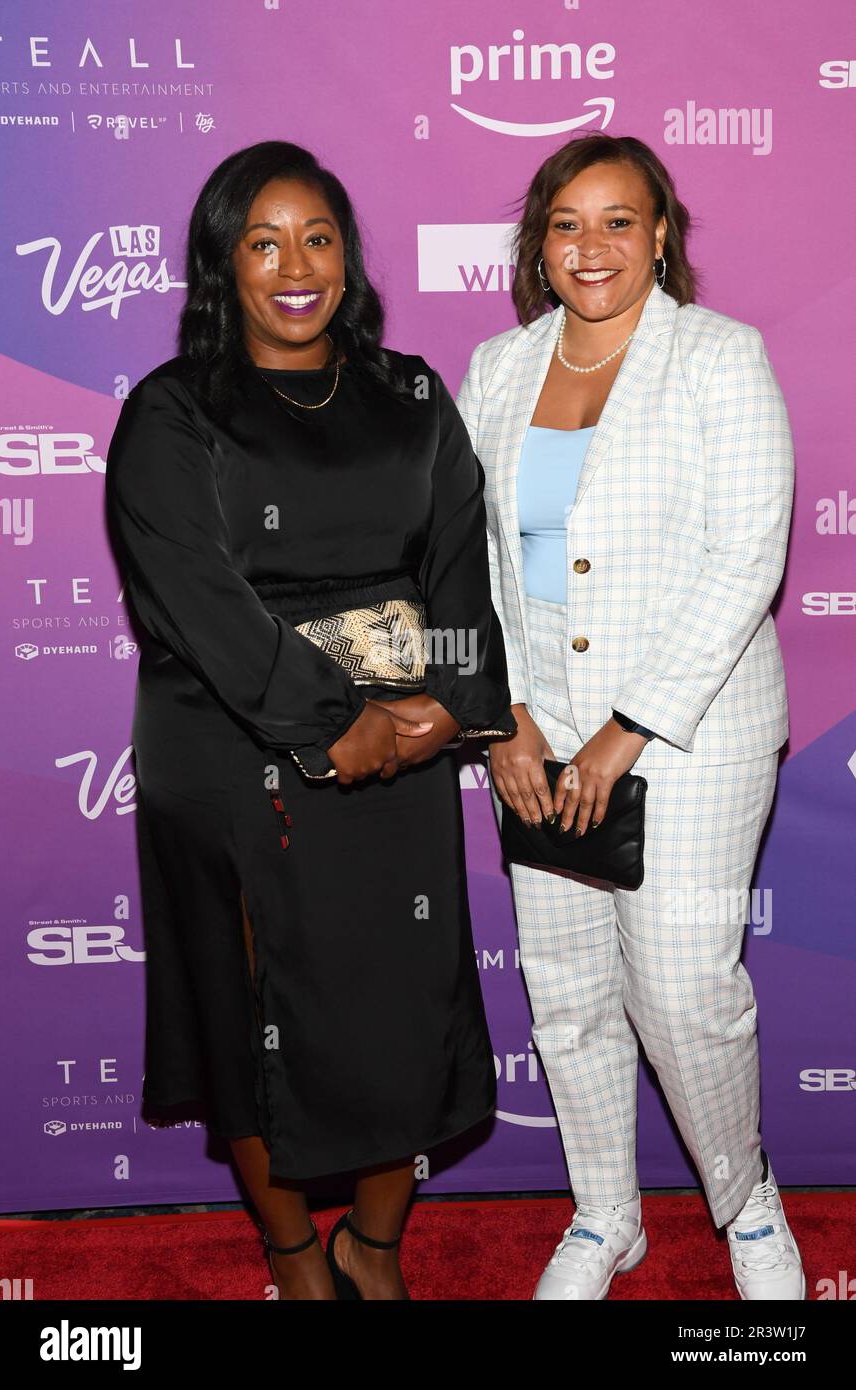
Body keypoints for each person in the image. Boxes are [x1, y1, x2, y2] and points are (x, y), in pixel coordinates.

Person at [104, 140, 516, 1301]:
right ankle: (295, 1260)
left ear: (348, 257)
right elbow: (195, 601)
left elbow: (456, 570)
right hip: (236, 760)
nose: (294, 266)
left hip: (405, 758)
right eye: (263, 241)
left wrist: (448, 699)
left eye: (318, 238)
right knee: (253, 1023)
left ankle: (370, 1250)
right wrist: (334, 724)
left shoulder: (411, 395)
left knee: (402, 1012)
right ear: (222, 263)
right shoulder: (174, 413)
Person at [456, 131, 804, 1301]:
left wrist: (628, 725)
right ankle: (604, 1213)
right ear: (536, 246)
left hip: (686, 730)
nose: (590, 245)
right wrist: (502, 715)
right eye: (565, 223)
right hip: (534, 730)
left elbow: (745, 555)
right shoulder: (497, 369)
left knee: (683, 991)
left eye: (617, 220)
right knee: (563, 988)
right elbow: (476, 562)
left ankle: (744, 1203)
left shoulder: (716, 356)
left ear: (660, 235)